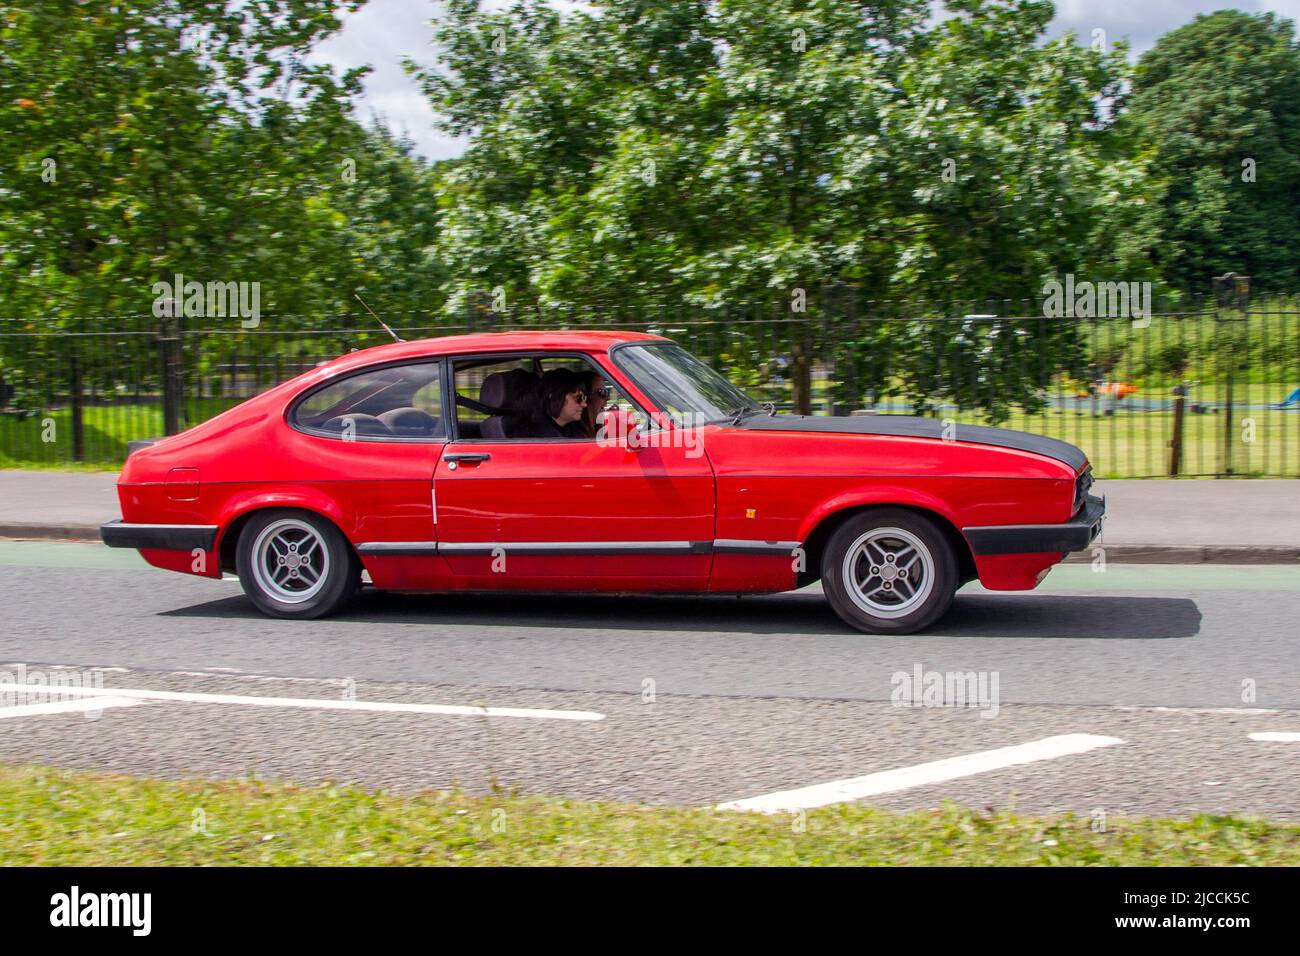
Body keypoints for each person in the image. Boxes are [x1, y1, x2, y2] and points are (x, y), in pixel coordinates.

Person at [513, 367, 587, 438]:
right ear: (555, 395)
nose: (584, 404)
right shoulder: (535, 437)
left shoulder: (571, 429)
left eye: (584, 398)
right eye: (578, 398)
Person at [565, 370, 610, 438]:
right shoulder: (574, 436)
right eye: (602, 392)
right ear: (585, 396)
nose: (608, 398)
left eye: (607, 391)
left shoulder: (598, 428)